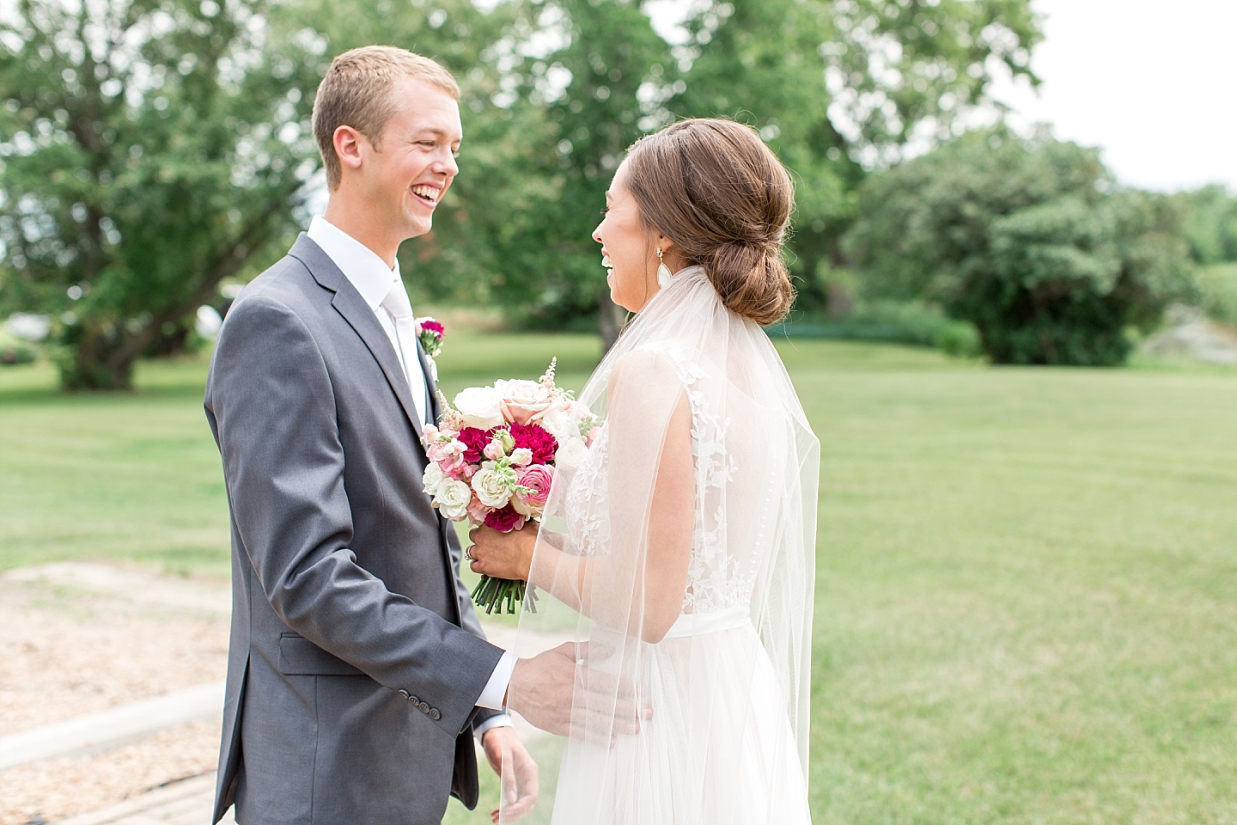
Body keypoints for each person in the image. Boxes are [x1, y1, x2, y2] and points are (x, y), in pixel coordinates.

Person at [204, 46, 610, 825]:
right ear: (350, 146)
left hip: (402, 743)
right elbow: (308, 575)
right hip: (328, 765)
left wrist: (483, 714)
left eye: (454, 147)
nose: (448, 165)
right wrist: (502, 677)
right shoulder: (277, 321)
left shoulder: (389, 306)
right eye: (427, 143)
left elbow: (423, 537)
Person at [469, 118, 820, 824]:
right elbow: (687, 575)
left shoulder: (655, 372)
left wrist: (523, 553)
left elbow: (651, 603)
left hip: (657, 712)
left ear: (661, 232)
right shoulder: (747, 375)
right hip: (725, 686)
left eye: (611, 211)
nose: (599, 233)